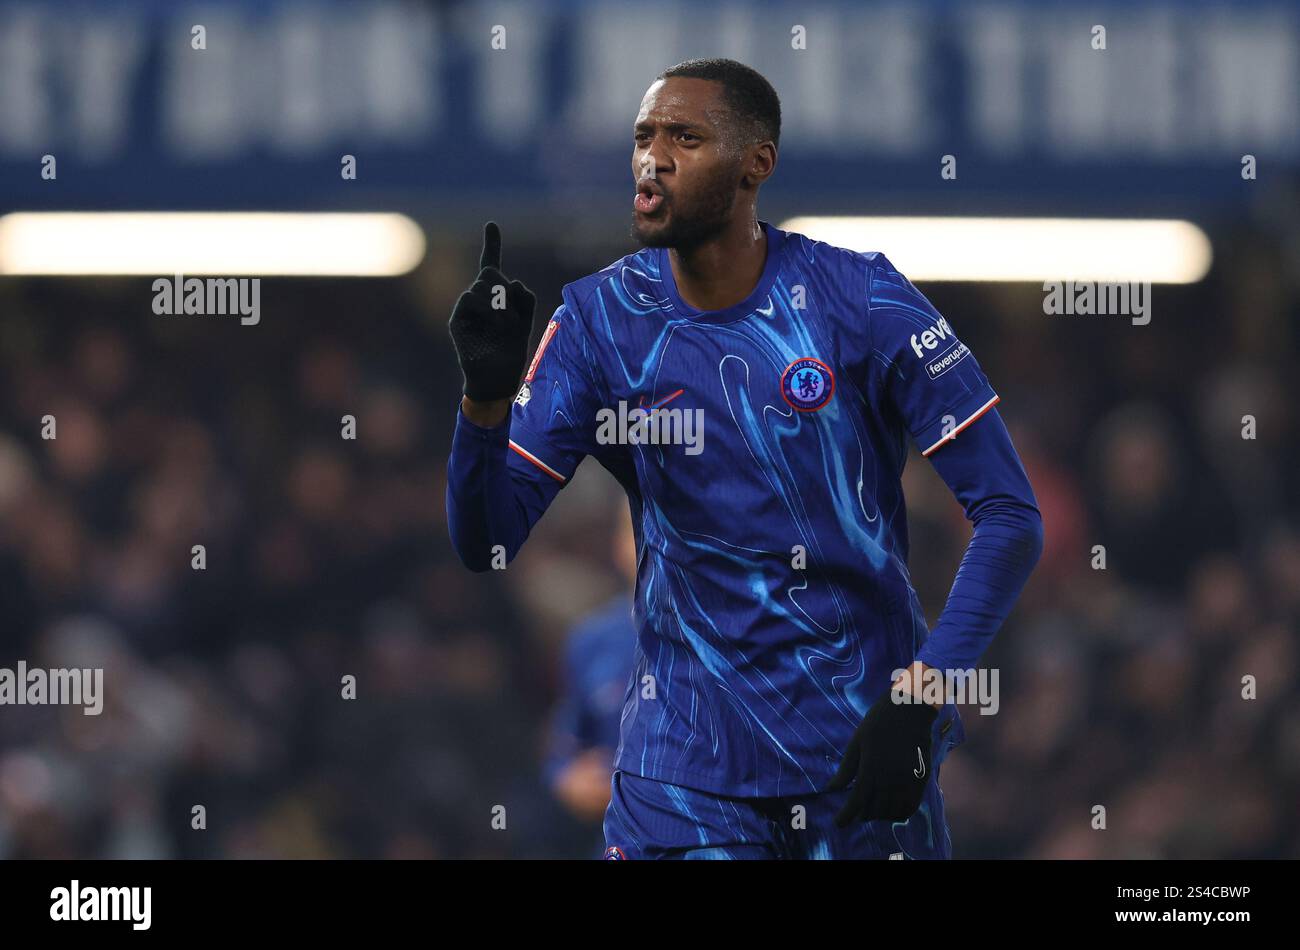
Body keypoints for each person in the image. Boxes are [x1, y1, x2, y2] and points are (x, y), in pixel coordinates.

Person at [446, 58, 1042, 859]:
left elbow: (1010, 516)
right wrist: (483, 404)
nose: (652, 159)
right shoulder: (599, 321)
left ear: (756, 163)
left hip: (861, 759)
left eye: (685, 138)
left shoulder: (863, 301)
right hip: (681, 780)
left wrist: (922, 697)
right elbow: (486, 541)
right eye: (643, 137)